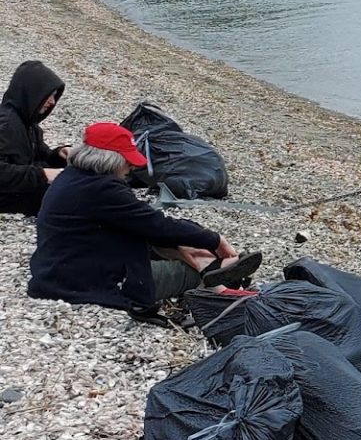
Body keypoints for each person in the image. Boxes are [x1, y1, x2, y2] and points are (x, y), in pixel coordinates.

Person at [28, 122, 261, 322]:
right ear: (109, 160)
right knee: (185, 269)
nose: (131, 167)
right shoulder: (103, 189)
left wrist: (191, 238)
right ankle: (214, 275)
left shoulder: (73, 177)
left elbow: (144, 221)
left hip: (59, 267)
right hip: (83, 281)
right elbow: (157, 225)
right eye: (127, 160)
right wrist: (214, 239)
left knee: (176, 243)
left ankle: (214, 270)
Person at [0, 60, 69, 216]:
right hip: (9, 198)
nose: (52, 102)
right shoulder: (5, 123)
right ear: (32, 92)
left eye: (54, 96)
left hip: (21, 191)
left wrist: (59, 154)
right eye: (48, 95)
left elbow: (39, 154)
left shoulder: (28, 124)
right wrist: (42, 175)